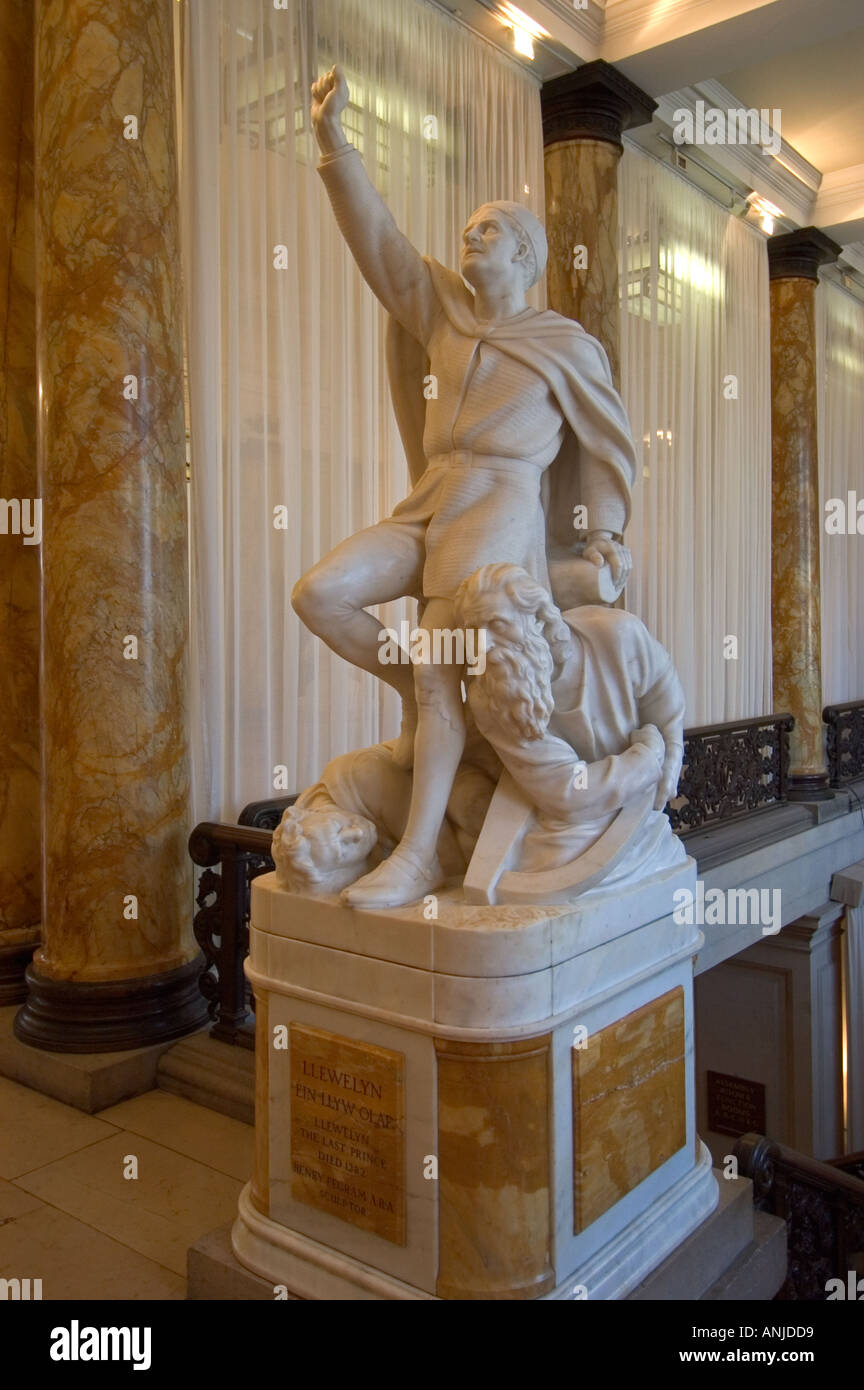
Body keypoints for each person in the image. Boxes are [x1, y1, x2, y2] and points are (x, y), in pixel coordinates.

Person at [292, 65, 638, 909]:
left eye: (486, 232)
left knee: (447, 644)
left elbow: (603, 446)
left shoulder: (564, 344)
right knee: (320, 593)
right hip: (430, 499)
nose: (468, 239)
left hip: (499, 506)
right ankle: (419, 690)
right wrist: (334, 141)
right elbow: (380, 245)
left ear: (524, 254)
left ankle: (415, 853)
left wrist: (603, 531)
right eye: (468, 231)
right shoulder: (443, 309)